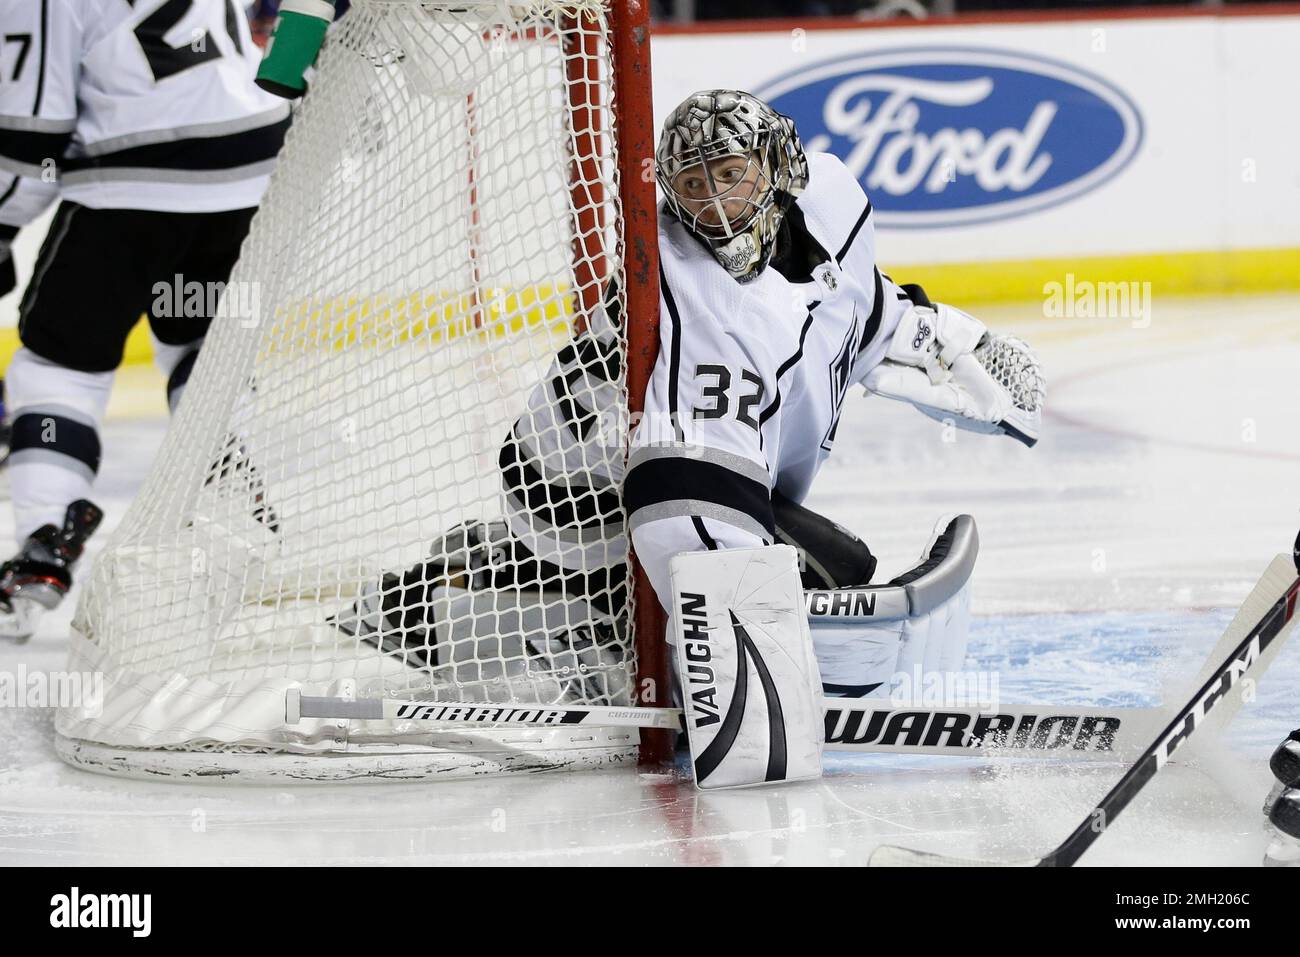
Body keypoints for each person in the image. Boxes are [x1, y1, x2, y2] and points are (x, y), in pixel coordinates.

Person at [334, 89, 1044, 704]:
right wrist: (738, 656)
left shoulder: (828, 195)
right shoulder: (705, 304)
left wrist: (941, 334)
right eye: (693, 184)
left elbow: (848, 299)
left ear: (782, 167)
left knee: (825, 563)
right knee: (829, 575)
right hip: (578, 495)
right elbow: (685, 507)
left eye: (732, 175)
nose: (716, 206)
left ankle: (478, 575)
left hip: (599, 460)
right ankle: (476, 612)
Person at [0, 0, 290, 640]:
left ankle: (43, 545)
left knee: (59, 366)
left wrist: (3, 224)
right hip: (251, 174)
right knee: (199, 348)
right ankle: (232, 513)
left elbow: (33, 134)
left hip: (126, 192)